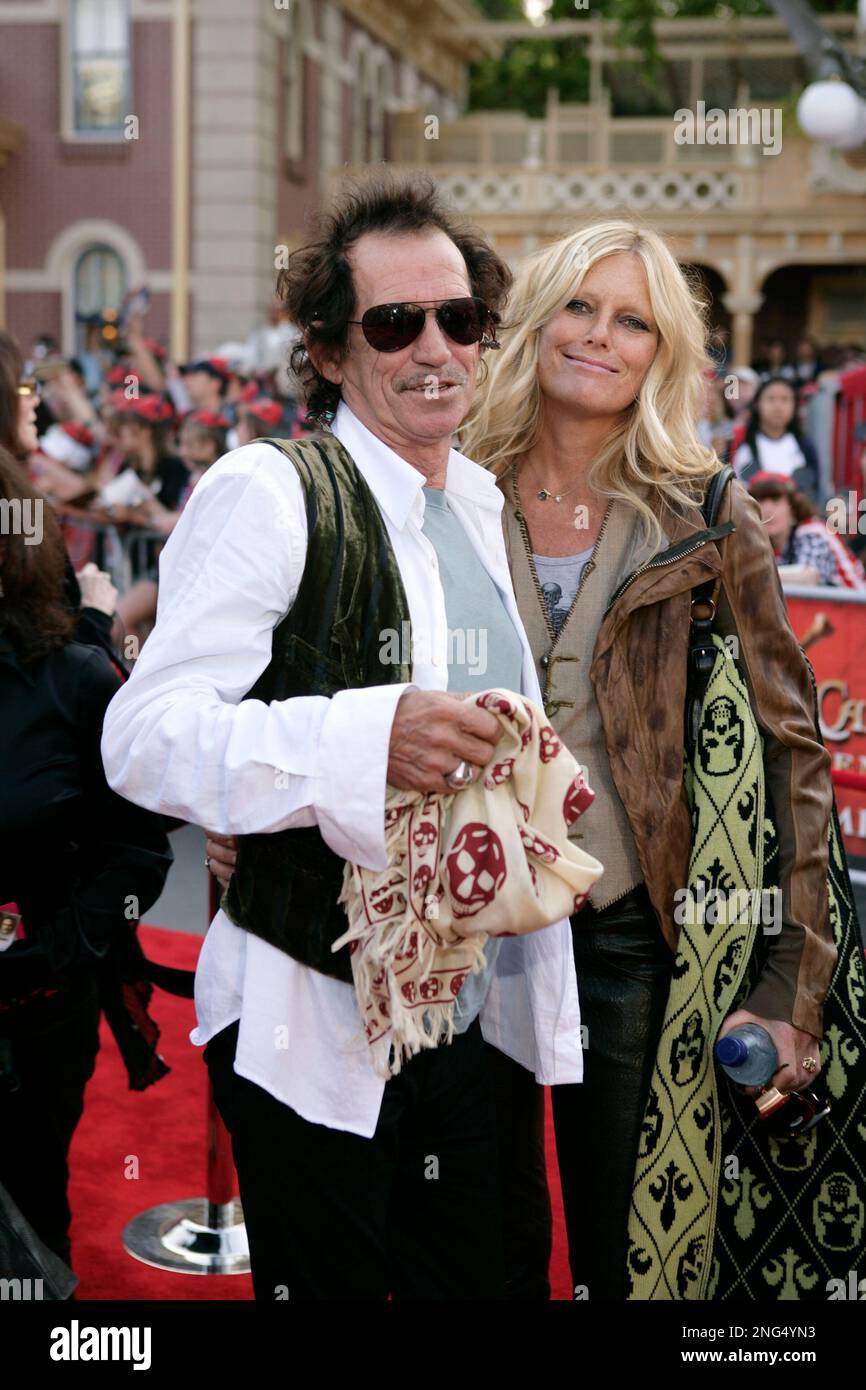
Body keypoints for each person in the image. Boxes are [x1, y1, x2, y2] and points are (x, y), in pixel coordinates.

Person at [100, 172, 584, 1301]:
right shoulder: (269, 490)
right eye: (391, 322)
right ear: (325, 350)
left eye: (458, 319)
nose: (434, 348)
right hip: (308, 1025)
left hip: (470, 1018)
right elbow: (146, 736)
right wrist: (359, 741)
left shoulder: (478, 504)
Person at [457, 220, 837, 1300]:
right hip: (464, 919)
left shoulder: (709, 512)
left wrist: (786, 983)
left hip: (632, 932)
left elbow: (791, 753)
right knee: (476, 1240)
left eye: (631, 320)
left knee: (633, 1246)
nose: (598, 336)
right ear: (534, 320)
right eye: (578, 305)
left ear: (660, 352)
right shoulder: (447, 489)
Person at [0, 449, 173, 1275]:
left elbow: (136, 847)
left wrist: (57, 952)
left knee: (29, 1224)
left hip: (33, 1014)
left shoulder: (73, 681)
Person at [747, 471, 866, 590]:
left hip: (856, 605)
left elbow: (809, 577)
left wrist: (751, 576)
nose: (767, 510)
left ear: (793, 508)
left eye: (776, 501)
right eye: (760, 501)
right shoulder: (770, 545)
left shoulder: (812, 531)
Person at [731, 375, 821, 501]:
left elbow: (813, 491)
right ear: (757, 404)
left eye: (785, 399)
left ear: (795, 406)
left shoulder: (805, 446)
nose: (778, 407)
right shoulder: (738, 442)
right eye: (771, 399)